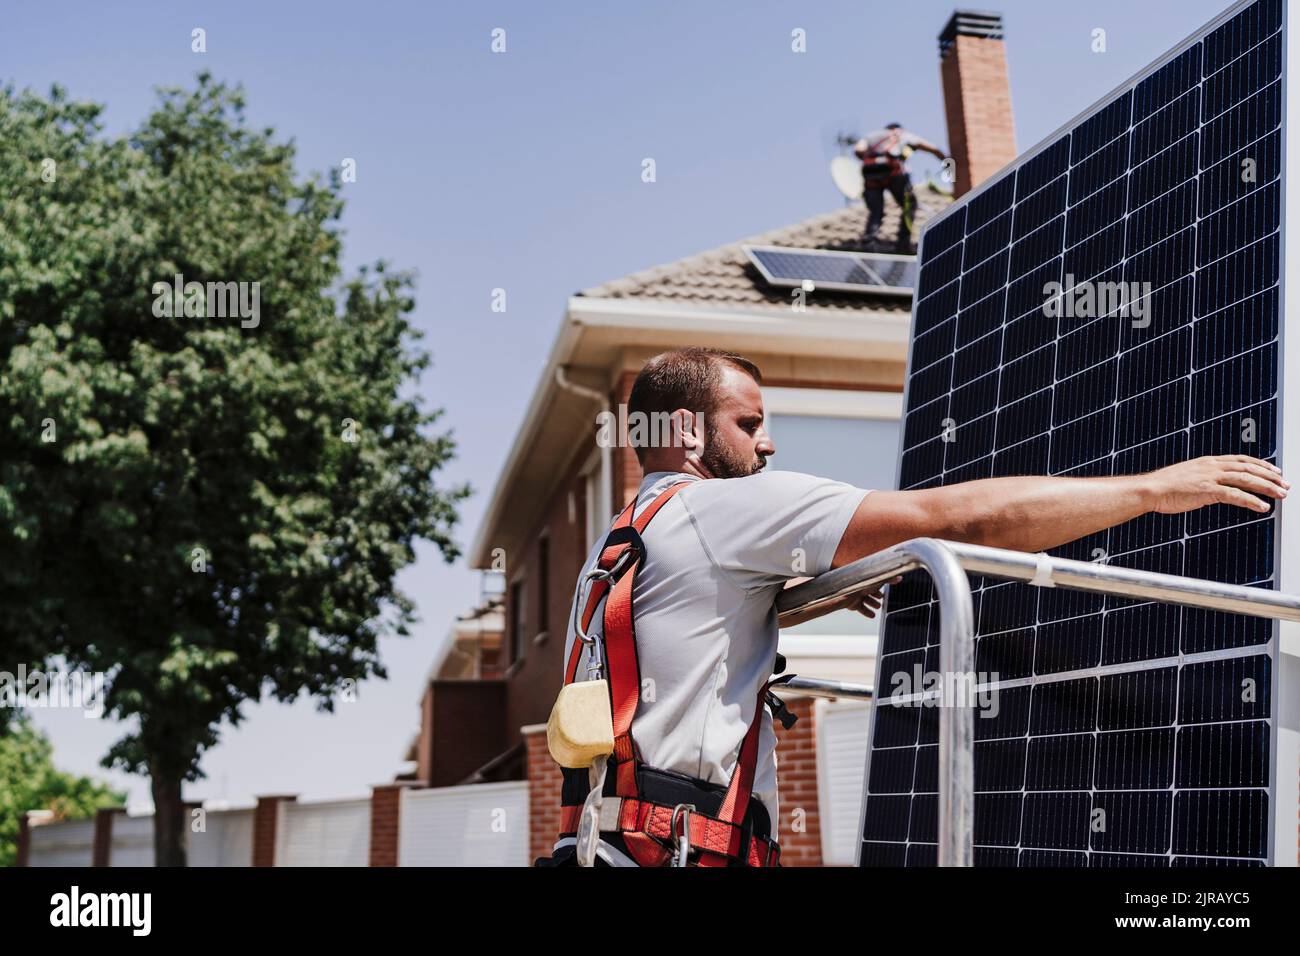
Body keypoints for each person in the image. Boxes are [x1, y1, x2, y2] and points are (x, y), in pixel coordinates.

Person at [537, 347, 1288, 867]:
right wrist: (1152, 491)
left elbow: (694, 628)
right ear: (689, 430)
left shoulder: (625, 542)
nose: (769, 445)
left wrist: (797, 596)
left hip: (603, 844)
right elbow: (957, 519)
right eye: (750, 423)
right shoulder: (725, 506)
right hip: (675, 849)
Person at [854, 122, 947, 253]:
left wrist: (874, 160)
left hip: (871, 176)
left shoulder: (872, 136)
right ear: (898, 129)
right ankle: (903, 244)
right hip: (894, 175)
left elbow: (858, 150)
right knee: (910, 205)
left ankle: (868, 242)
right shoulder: (902, 135)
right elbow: (931, 148)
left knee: (876, 211)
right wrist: (946, 159)